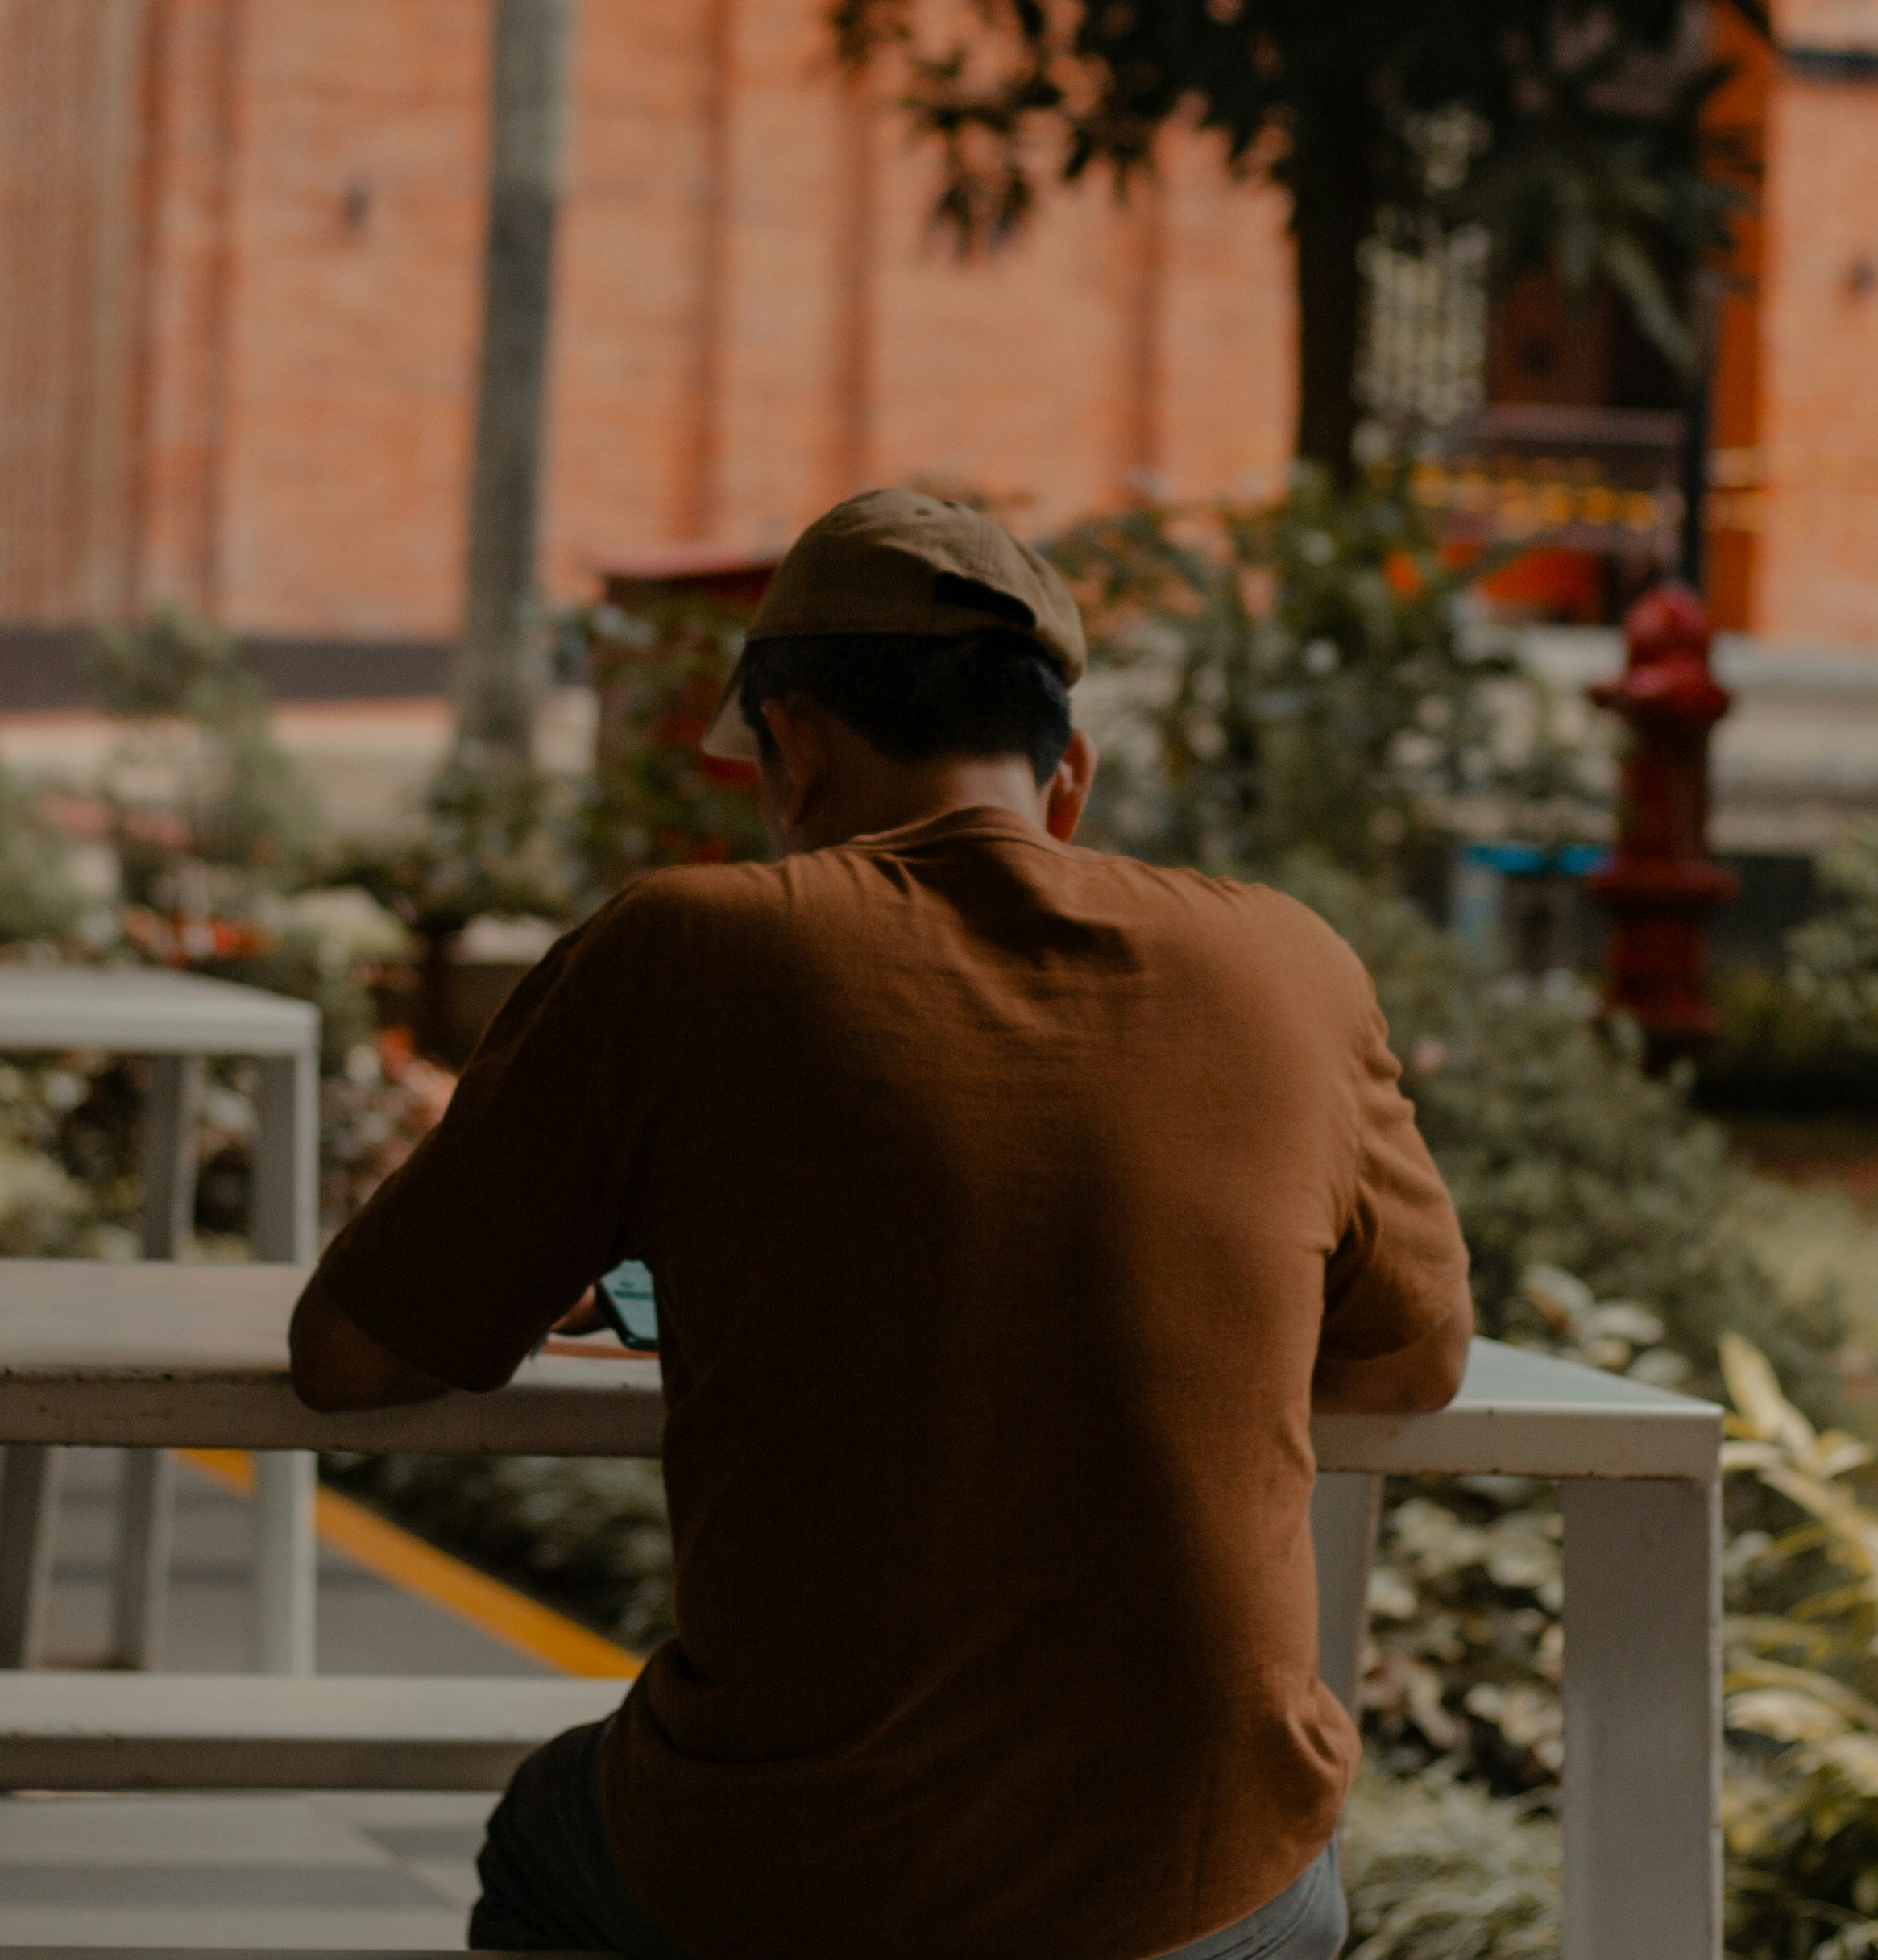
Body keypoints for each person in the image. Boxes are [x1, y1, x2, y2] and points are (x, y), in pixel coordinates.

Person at [290, 485, 1473, 1960]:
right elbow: (1407, 1368)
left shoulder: (689, 952)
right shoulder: (1293, 964)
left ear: (789, 749)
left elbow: (351, 1357)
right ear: (1069, 774)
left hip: (806, 1876)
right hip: (1214, 1887)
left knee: (549, 1833)